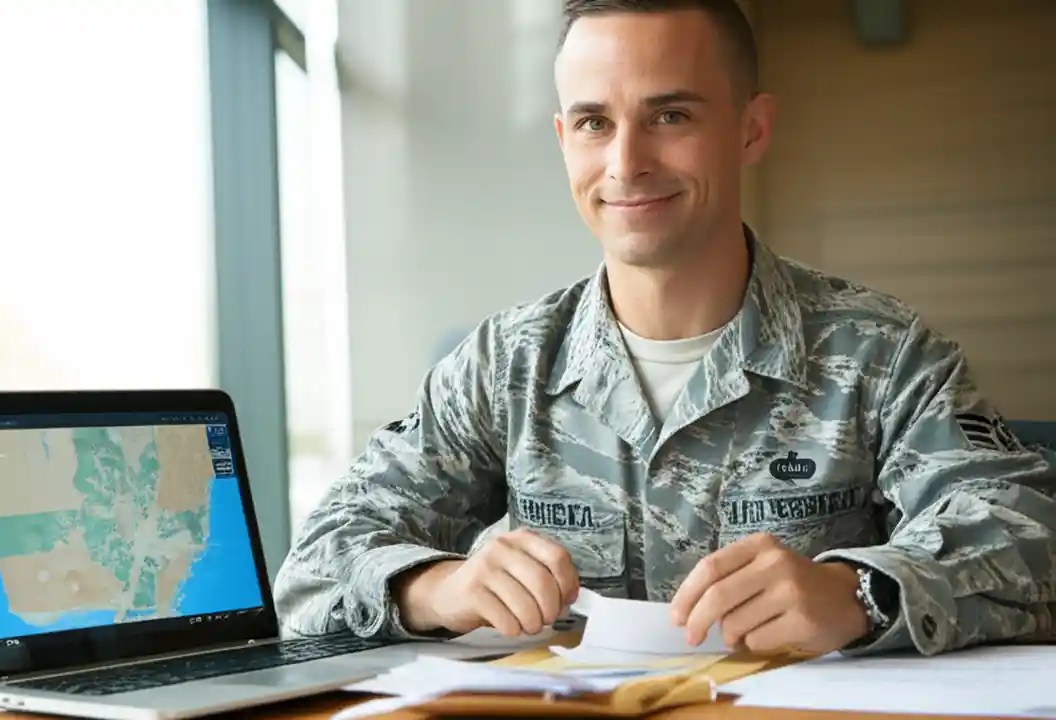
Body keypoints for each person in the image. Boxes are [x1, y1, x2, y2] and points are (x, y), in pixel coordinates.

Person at [272, 0, 1056, 657]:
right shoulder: (503, 365)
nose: (625, 162)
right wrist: (436, 586)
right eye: (592, 123)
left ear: (751, 130)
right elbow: (313, 566)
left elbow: (1029, 535)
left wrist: (857, 592)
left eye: (669, 114)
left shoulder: (882, 354)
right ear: (562, 140)